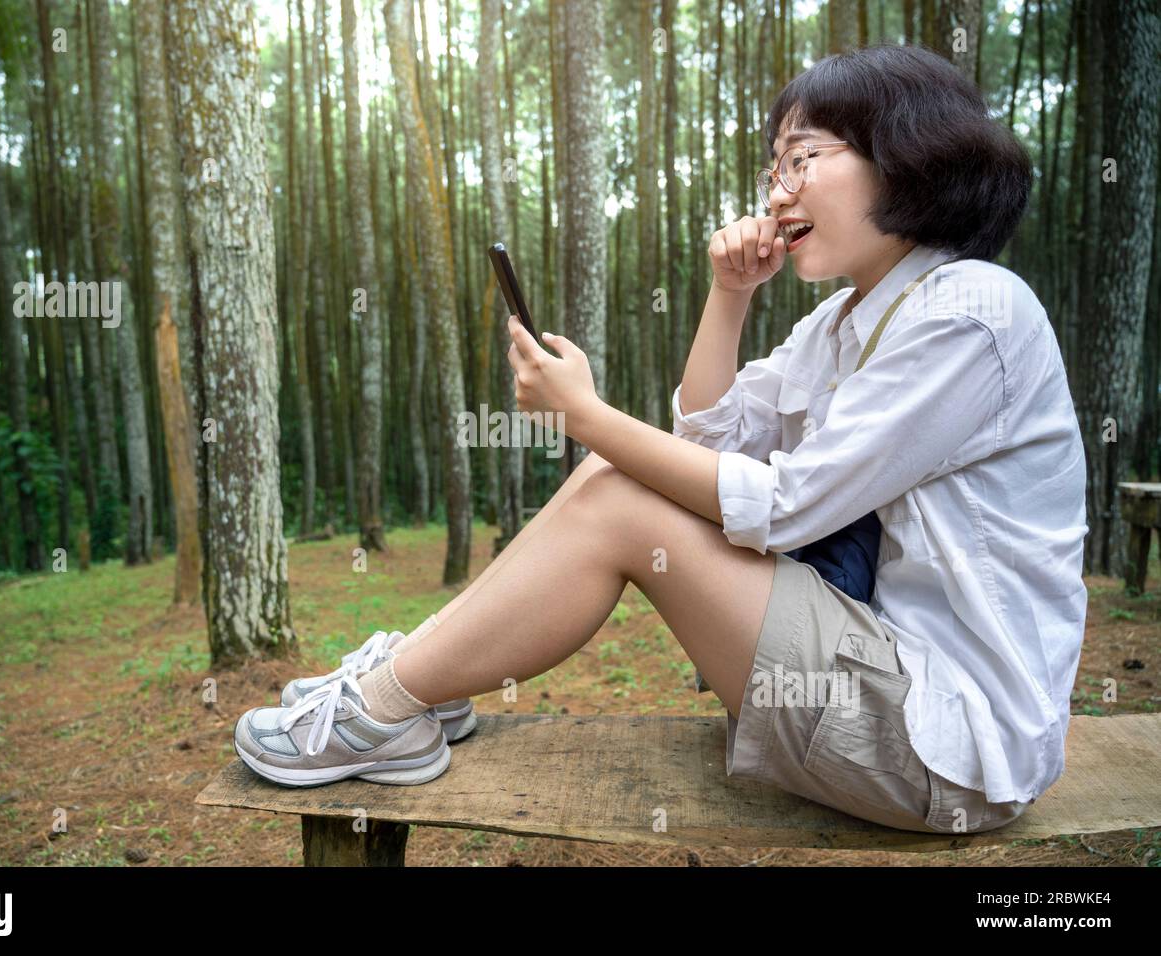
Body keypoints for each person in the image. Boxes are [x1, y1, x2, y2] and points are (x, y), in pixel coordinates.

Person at [233, 44, 1088, 836]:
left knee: (616, 492)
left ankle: (385, 704)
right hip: (875, 684)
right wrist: (730, 295)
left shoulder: (971, 311)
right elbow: (710, 441)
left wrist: (586, 416)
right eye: (773, 166)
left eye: (803, 158)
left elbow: (783, 506)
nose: (776, 192)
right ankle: (419, 684)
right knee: (622, 478)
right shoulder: (845, 321)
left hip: (951, 743)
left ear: (908, 156)